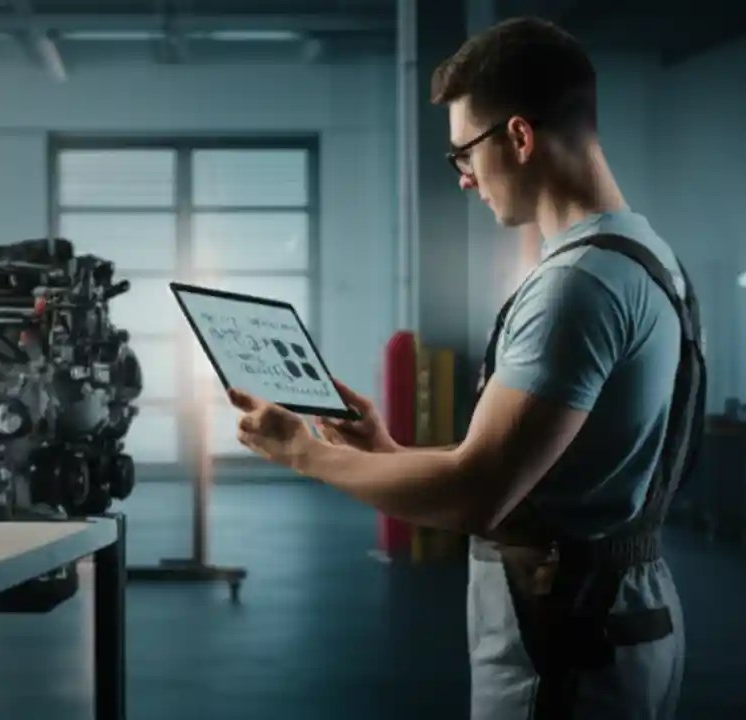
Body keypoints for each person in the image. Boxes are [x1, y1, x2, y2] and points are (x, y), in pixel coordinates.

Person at [227, 16, 705, 720]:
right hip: (621, 618)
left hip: (566, 636)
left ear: (518, 135)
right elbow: (531, 468)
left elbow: (478, 493)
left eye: (464, 153)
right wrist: (387, 453)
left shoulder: (578, 285)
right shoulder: (649, 256)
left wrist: (302, 453)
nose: (463, 178)